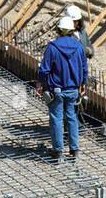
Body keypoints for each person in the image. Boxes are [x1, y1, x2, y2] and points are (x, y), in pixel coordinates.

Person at [37, 13, 88, 160]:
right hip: (73, 90)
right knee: (72, 117)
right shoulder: (78, 47)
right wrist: (83, 84)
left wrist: (40, 84)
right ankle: (75, 149)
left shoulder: (52, 48)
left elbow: (44, 70)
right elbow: (84, 68)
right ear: (72, 30)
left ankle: (58, 150)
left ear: (59, 30)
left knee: (57, 118)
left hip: (57, 90)